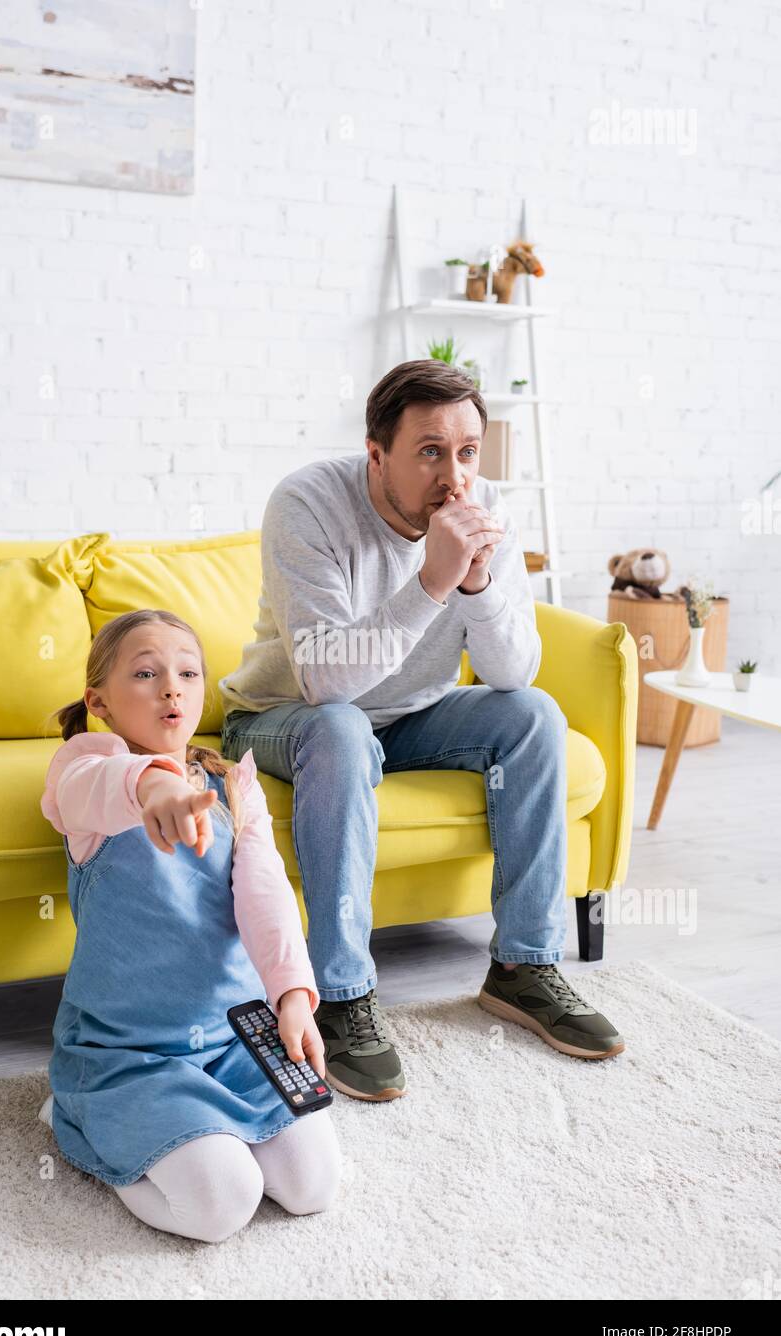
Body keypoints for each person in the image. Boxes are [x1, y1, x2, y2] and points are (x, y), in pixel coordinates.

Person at [218, 359, 625, 1101]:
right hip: (283, 721)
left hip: (411, 719)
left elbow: (512, 672)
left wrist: (475, 581)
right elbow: (324, 682)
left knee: (533, 718)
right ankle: (340, 995)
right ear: (377, 455)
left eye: (467, 451)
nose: (455, 477)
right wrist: (432, 581)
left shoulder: (485, 506)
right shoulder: (307, 503)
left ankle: (522, 967)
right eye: (430, 451)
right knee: (341, 728)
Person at [38, 607, 342, 1242]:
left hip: (233, 1038)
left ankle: (208, 1127)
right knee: (220, 1206)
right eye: (146, 674)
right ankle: (78, 1113)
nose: (171, 687)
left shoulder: (234, 787)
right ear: (99, 701)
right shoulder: (86, 769)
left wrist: (291, 995)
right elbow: (93, 789)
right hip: (129, 1053)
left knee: (313, 1185)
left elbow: (266, 897)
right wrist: (155, 791)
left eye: (187, 673)